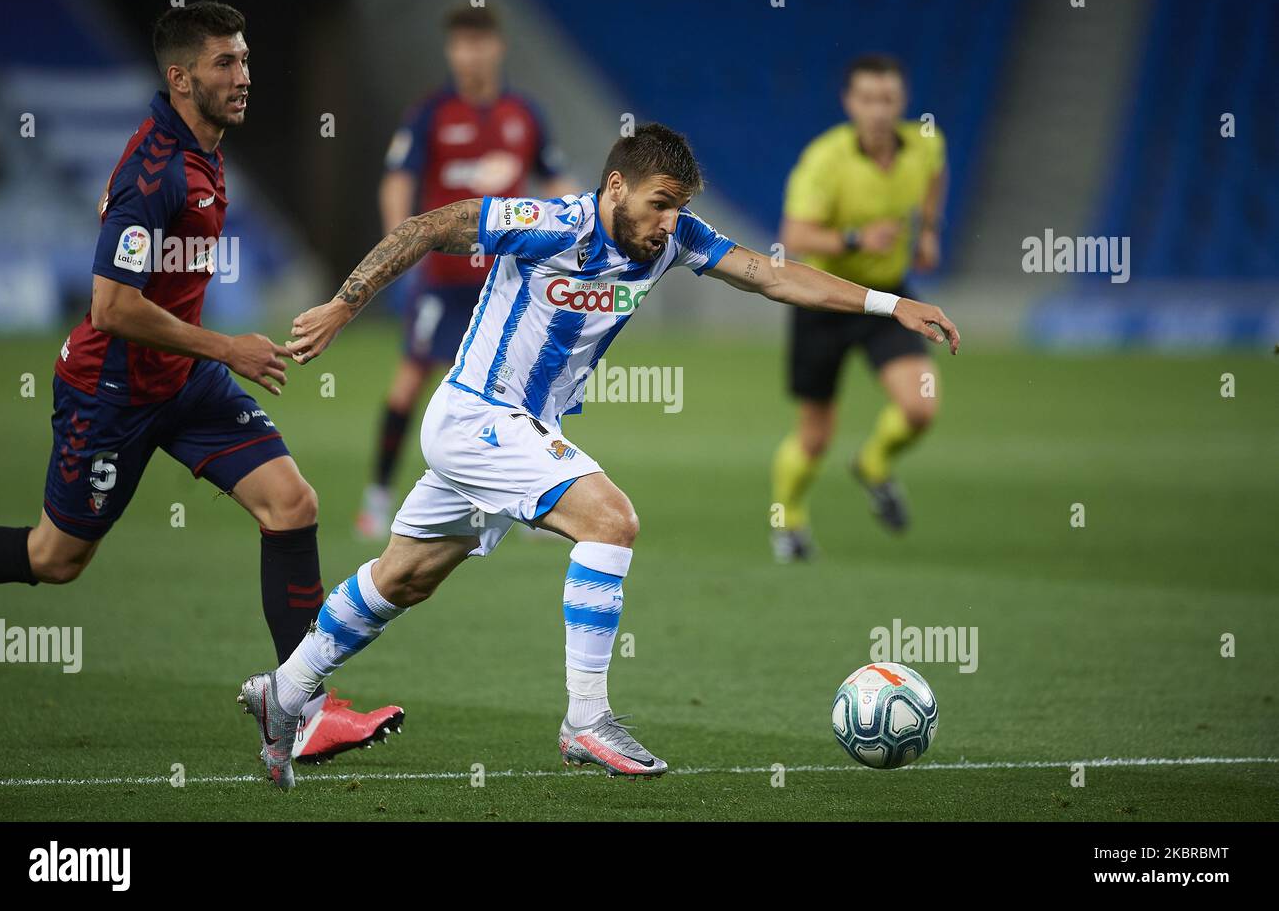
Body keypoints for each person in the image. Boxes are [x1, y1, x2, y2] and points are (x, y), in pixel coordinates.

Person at [237, 123, 959, 789]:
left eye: (678, 208)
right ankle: (586, 720)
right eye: (659, 204)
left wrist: (888, 305)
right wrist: (344, 302)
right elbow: (432, 226)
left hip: (508, 432)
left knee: (407, 577)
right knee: (610, 520)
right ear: (615, 188)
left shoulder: (676, 241)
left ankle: (288, 692)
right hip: (479, 417)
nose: (669, 221)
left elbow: (771, 275)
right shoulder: (554, 222)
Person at [0, 1, 401, 763]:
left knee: (291, 503)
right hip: (111, 390)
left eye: (243, 59)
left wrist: (206, 357)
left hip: (184, 382)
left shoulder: (204, 151)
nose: (243, 77)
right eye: (224, 64)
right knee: (55, 559)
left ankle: (300, 707)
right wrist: (227, 348)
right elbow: (111, 307)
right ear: (180, 78)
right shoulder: (154, 173)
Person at [356, 5, 574, 539]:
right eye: (460, 45)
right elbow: (397, 181)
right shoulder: (429, 112)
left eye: (478, 44)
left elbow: (555, 180)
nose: (469, 55)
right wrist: (397, 247)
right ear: (450, 51)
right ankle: (377, 498)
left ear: (496, 47)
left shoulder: (525, 114)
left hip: (507, 282)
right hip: (445, 281)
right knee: (410, 381)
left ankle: (533, 500)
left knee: (529, 388)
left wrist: (574, 234)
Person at [771, 54, 949, 562]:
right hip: (824, 298)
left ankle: (873, 464)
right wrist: (855, 237)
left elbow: (936, 173)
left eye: (887, 98)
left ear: (902, 101)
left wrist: (930, 230)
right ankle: (790, 522)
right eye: (867, 99)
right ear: (850, 102)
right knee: (815, 435)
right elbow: (792, 236)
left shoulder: (925, 144)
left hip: (889, 299)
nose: (877, 109)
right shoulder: (824, 160)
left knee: (920, 406)